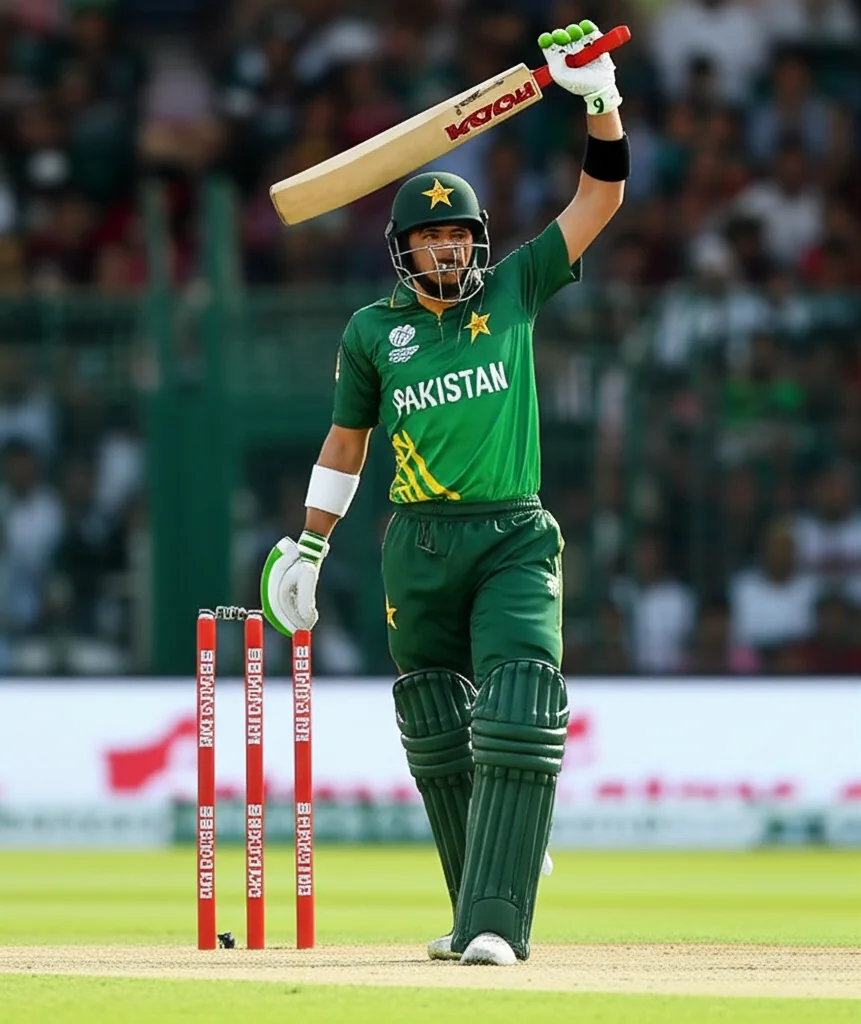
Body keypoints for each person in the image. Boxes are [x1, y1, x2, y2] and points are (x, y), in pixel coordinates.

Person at [261, 22, 628, 966]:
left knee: (518, 701)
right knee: (431, 721)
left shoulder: (514, 290)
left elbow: (600, 198)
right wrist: (310, 544)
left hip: (510, 534)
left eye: (458, 236)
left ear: (478, 243)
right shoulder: (371, 334)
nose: (447, 252)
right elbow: (347, 442)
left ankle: (497, 924)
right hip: (415, 541)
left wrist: (597, 102)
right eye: (429, 238)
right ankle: (479, 893)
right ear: (401, 250)